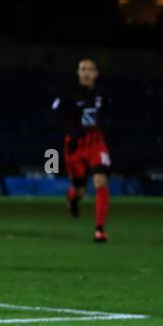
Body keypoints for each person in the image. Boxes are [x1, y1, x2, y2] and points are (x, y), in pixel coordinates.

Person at [51, 58, 112, 242]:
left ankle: (99, 229)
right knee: (80, 190)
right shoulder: (68, 93)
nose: (86, 73)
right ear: (78, 73)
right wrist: (70, 129)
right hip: (75, 144)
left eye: (89, 69)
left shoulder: (102, 94)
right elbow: (55, 112)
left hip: (96, 142)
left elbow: (107, 114)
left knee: (101, 181)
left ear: (96, 73)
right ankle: (73, 199)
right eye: (82, 69)